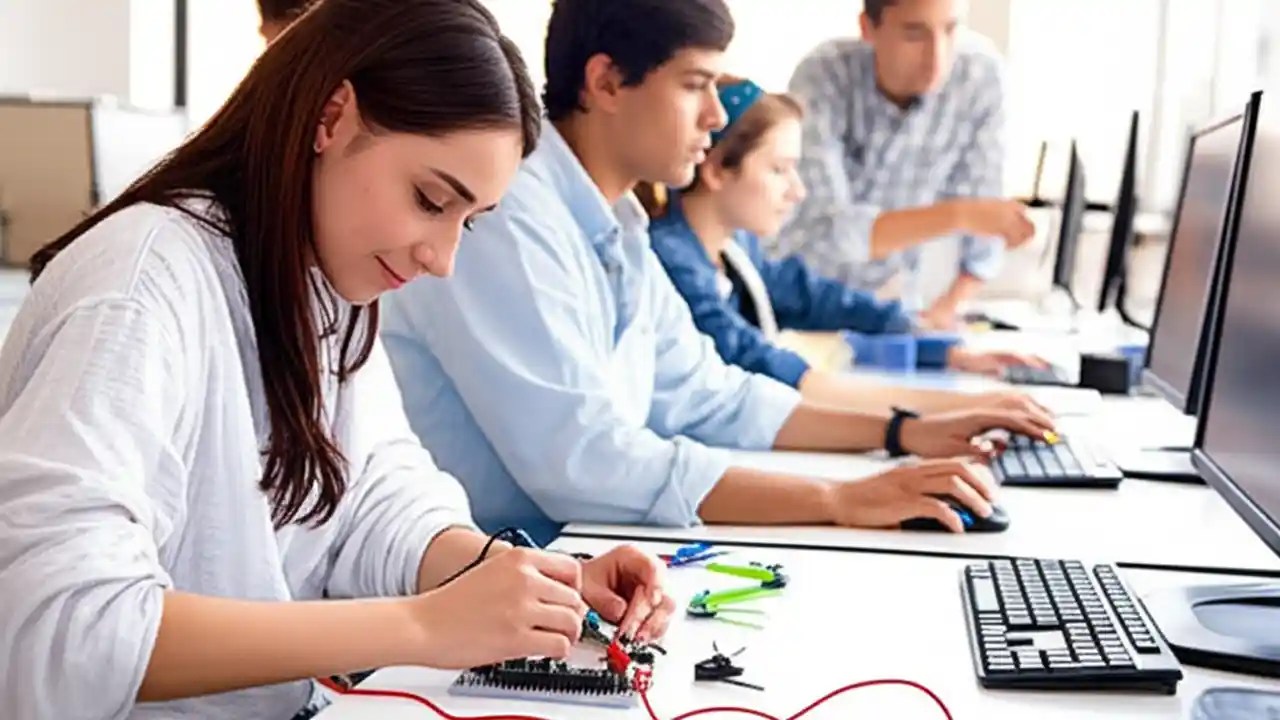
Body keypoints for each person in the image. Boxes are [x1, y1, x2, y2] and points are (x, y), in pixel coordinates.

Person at [0, 2, 673, 719]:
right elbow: (66, 631)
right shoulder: (139, 286)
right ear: (332, 118)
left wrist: (531, 581)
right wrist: (423, 626)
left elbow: (373, 501)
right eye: (430, 200)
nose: (442, 259)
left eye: (468, 223)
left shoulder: (321, 280)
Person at [381, 0, 1056, 547]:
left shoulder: (616, 225)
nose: (715, 114)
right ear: (607, 82)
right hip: (497, 580)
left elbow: (711, 395)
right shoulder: (507, 214)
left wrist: (900, 433)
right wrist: (839, 499)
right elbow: (584, 460)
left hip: (581, 557)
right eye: (695, 84)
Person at [646, 77, 1053, 415]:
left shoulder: (735, 250)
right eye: (779, 169)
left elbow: (821, 299)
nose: (798, 191)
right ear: (717, 170)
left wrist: (944, 351)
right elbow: (758, 363)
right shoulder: (671, 261)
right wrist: (957, 406)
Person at [771, 0, 1036, 330]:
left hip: (892, 308)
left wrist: (946, 310)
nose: (937, 57)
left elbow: (985, 228)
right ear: (868, 28)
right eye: (914, 34)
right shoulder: (825, 75)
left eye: (950, 29)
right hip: (802, 307)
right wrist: (959, 215)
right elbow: (829, 232)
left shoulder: (979, 75)